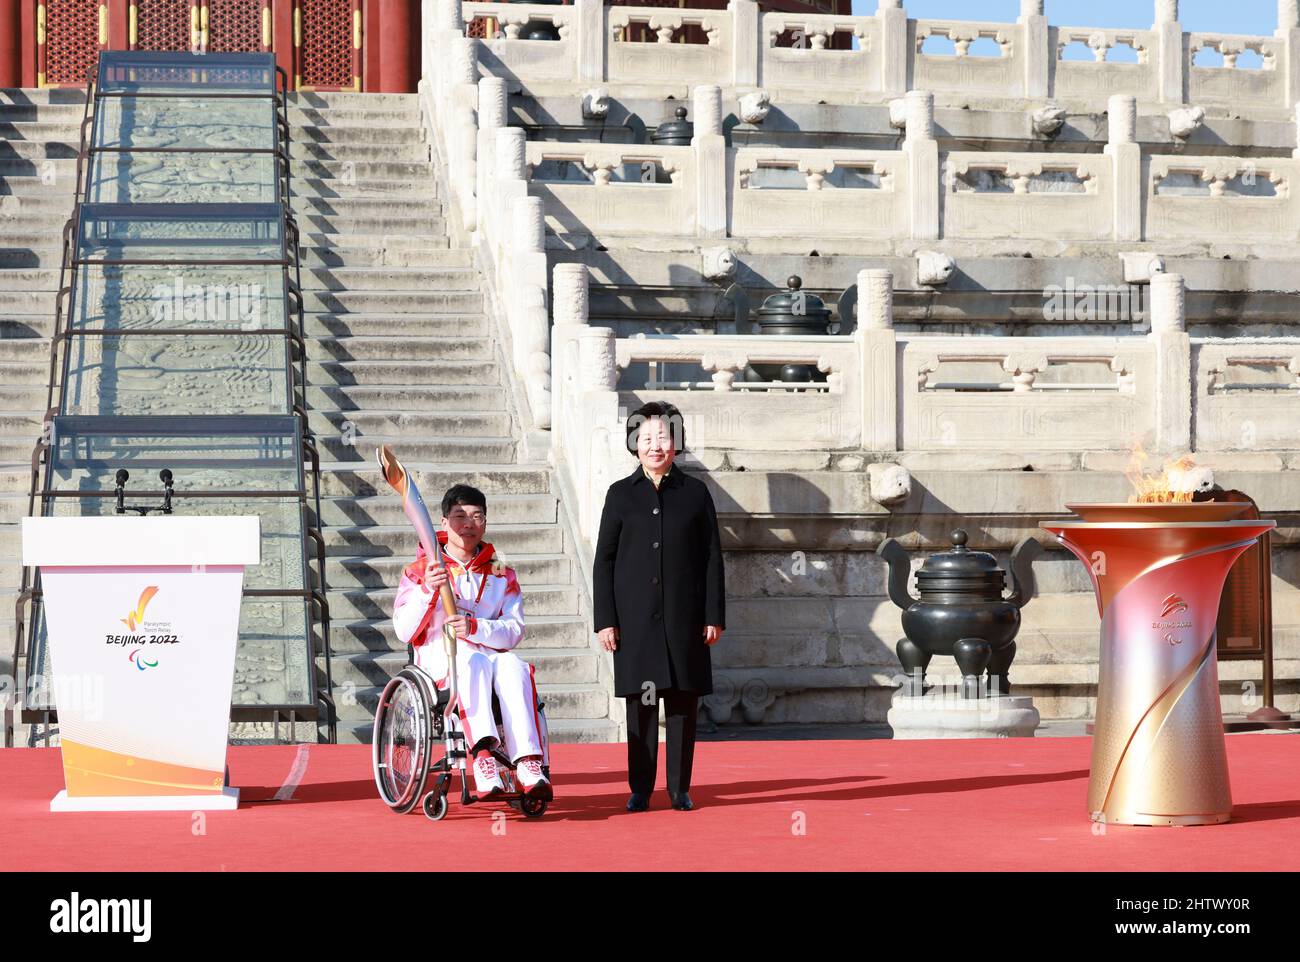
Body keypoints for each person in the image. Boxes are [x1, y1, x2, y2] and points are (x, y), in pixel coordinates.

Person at [593, 401, 726, 812]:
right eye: (647, 438)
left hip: (684, 620)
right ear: (635, 443)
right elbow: (605, 561)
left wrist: (713, 616)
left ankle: (679, 789)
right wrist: (606, 621)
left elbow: (711, 558)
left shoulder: (695, 493)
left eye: (664, 438)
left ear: (676, 443)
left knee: (684, 707)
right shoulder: (620, 495)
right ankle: (640, 789)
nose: (655, 446)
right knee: (643, 708)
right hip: (635, 621)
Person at [391, 484, 551, 801]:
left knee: (514, 666)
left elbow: (514, 630)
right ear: (443, 523)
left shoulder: (501, 572)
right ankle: (483, 758)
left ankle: (529, 764)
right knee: (471, 661)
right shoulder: (422, 570)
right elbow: (403, 631)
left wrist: (475, 627)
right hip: (440, 659)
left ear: (485, 523)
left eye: (477, 516)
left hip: (489, 655)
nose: (468, 524)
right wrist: (428, 593)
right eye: (459, 516)